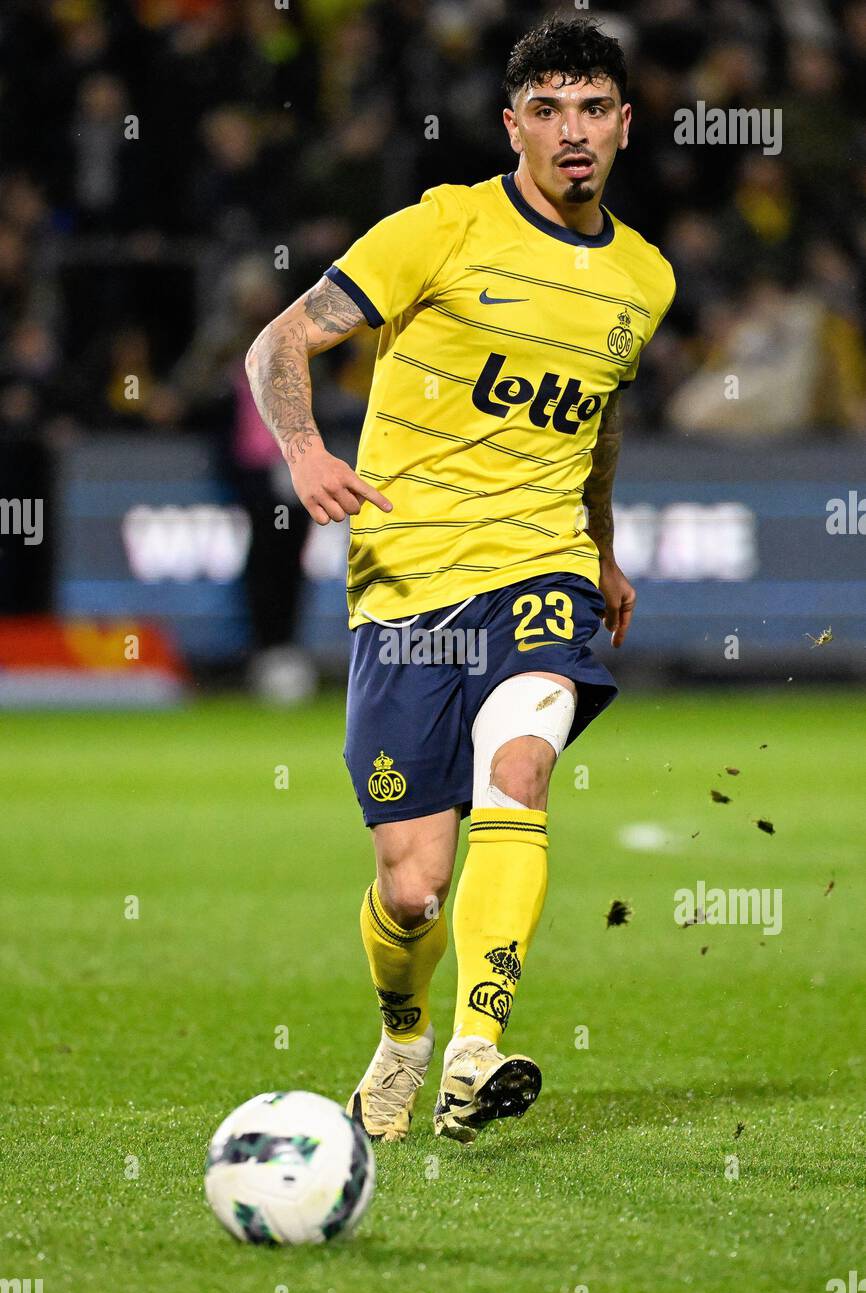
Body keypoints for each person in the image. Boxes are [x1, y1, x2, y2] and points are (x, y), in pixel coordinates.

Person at [245, 17, 675, 1144]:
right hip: (405, 582)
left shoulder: (644, 279)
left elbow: (597, 416)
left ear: (624, 125)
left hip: (539, 568)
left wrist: (601, 543)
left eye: (591, 109)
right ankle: (403, 1037)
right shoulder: (441, 226)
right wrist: (302, 451)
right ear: (511, 125)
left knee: (519, 769)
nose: (571, 132)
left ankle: (478, 1046)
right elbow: (278, 344)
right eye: (547, 109)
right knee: (409, 886)